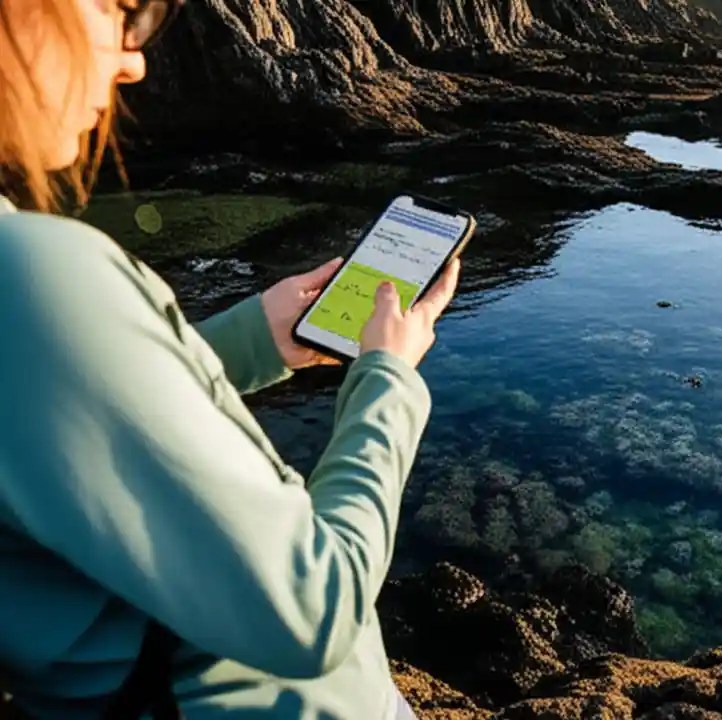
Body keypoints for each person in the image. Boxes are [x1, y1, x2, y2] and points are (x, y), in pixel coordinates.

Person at [0, 1, 461, 717]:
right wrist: (388, 384)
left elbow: (52, 429)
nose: (134, 59)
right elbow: (317, 609)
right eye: (120, 9)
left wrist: (251, 341)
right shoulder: (31, 273)